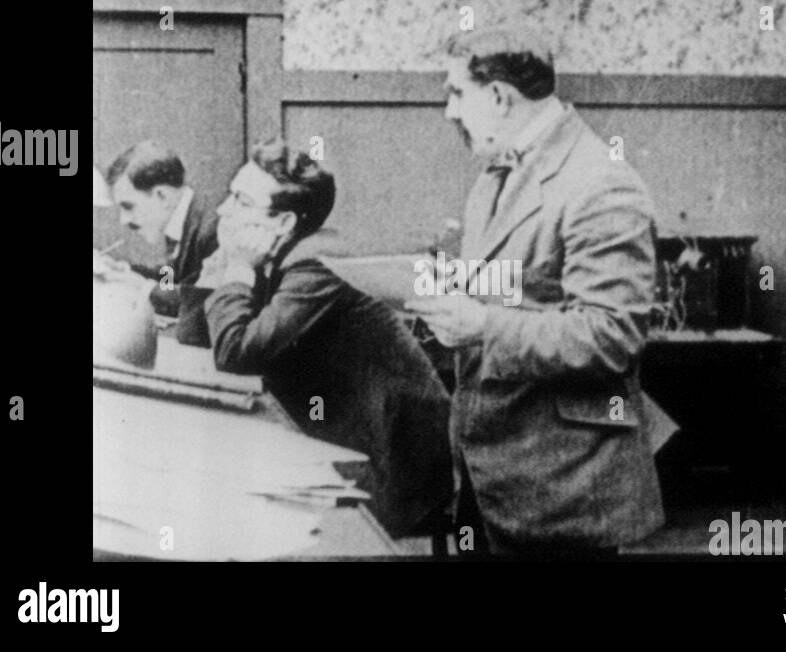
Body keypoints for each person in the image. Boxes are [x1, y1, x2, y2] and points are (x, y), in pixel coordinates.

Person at [405, 26, 665, 555]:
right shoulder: (494, 175)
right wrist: (450, 288)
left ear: (500, 97)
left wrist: (482, 325)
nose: (448, 112)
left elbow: (612, 333)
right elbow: (527, 285)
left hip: (562, 490)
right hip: (492, 476)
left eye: (456, 94)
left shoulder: (600, 183)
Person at [196, 139, 453, 539]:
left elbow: (236, 353)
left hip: (390, 455)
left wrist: (237, 268)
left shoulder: (315, 263)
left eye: (240, 201)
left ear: (283, 222)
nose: (222, 210)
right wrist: (220, 269)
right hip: (337, 429)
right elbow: (197, 335)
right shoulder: (279, 251)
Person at [102, 140, 219, 319]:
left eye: (128, 206)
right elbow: (171, 279)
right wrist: (126, 271)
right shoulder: (181, 219)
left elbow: (205, 305)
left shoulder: (212, 229)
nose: (123, 220)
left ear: (162, 196)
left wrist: (144, 288)